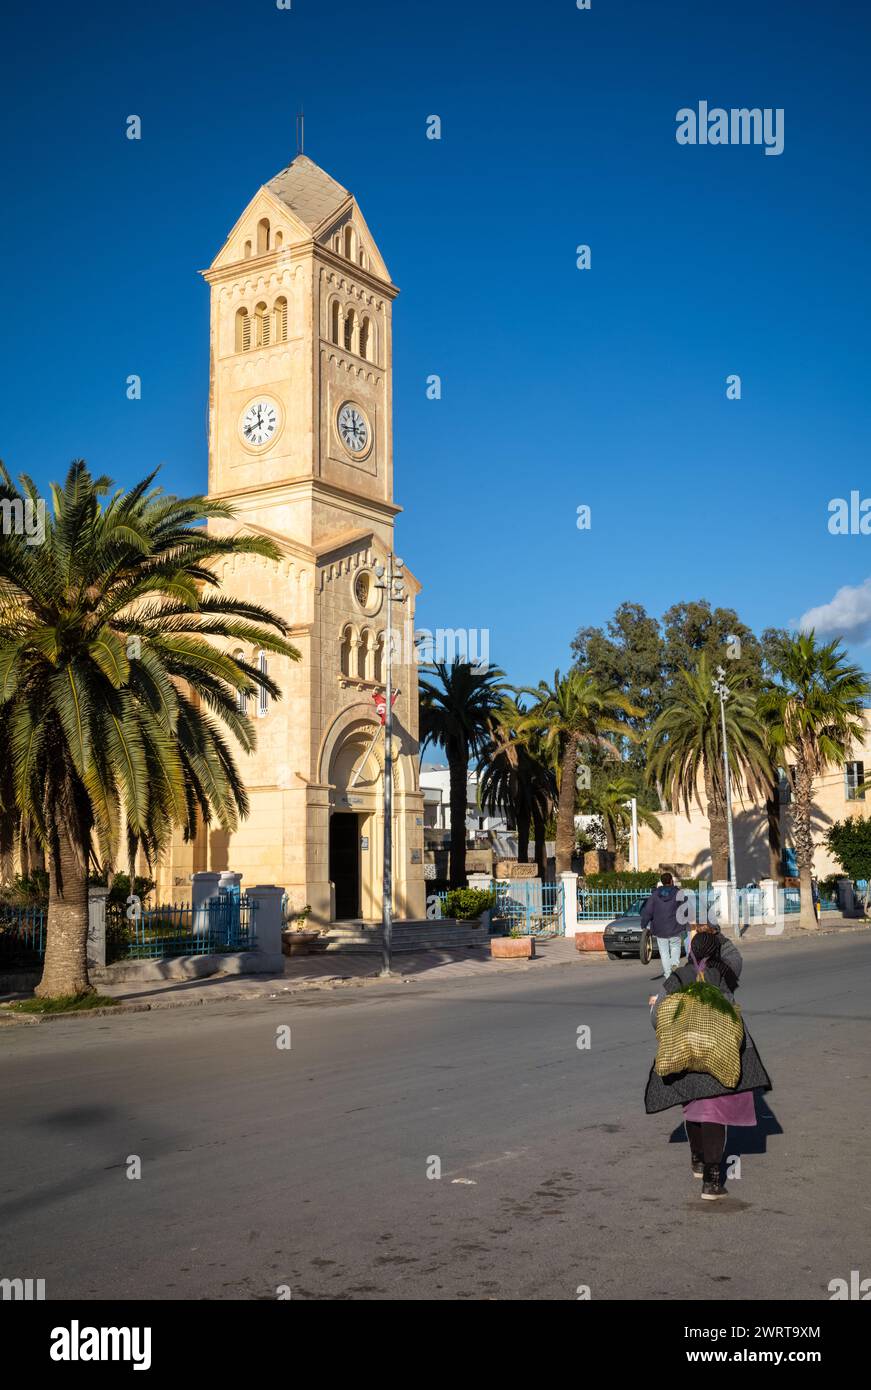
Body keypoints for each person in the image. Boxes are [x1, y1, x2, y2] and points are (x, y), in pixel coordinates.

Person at [644, 923, 772, 1200]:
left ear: (690, 951)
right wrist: (717, 935)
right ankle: (713, 1182)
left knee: (695, 1105)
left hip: (685, 1051)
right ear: (716, 952)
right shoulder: (725, 973)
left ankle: (698, 1160)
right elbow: (736, 956)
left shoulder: (678, 978)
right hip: (722, 1051)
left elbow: (656, 1018)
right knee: (716, 1110)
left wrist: (658, 1008)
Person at [639, 872, 693, 980]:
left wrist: (644, 924)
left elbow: (648, 911)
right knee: (675, 946)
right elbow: (686, 909)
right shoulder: (678, 893)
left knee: (663, 952)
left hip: (659, 929)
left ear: (662, 882)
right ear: (671, 881)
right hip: (675, 926)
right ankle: (674, 965)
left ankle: (668, 974)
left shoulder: (654, 895)